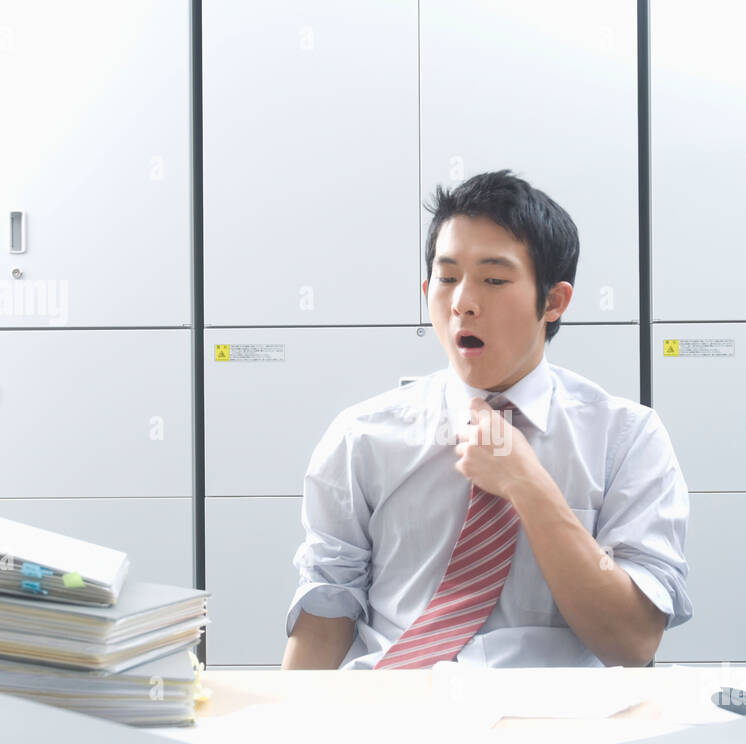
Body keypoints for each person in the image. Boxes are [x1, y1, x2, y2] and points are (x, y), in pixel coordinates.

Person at [282, 170, 691, 669]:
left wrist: (527, 484)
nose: (462, 303)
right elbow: (327, 611)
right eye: (447, 279)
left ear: (555, 301)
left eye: (494, 280)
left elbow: (632, 643)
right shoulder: (362, 437)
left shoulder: (626, 439)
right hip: (396, 709)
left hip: (558, 724)